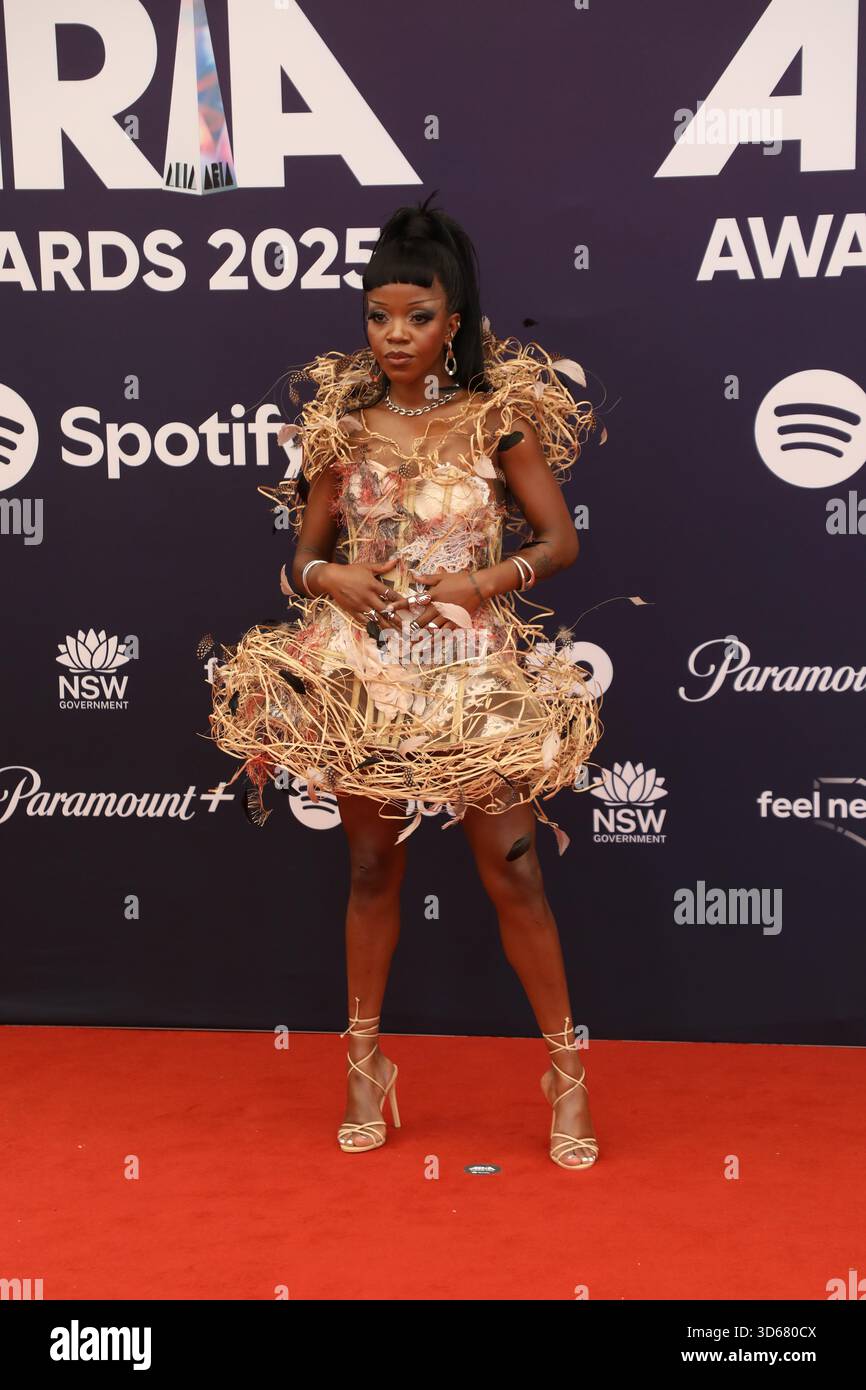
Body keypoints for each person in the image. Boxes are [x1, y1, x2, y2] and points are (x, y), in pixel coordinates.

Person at [208, 193, 607, 1168]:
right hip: (368, 677)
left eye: (416, 317)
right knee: (370, 868)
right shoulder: (341, 428)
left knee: (513, 870)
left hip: (468, 673)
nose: (394, 336)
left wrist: (481, 578)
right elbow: (302, 559)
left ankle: (565, 1072)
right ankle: (362, 1064)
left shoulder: (493, 422)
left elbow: (558, 542)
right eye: (378, 317)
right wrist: (331, 574)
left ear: (453, 323)